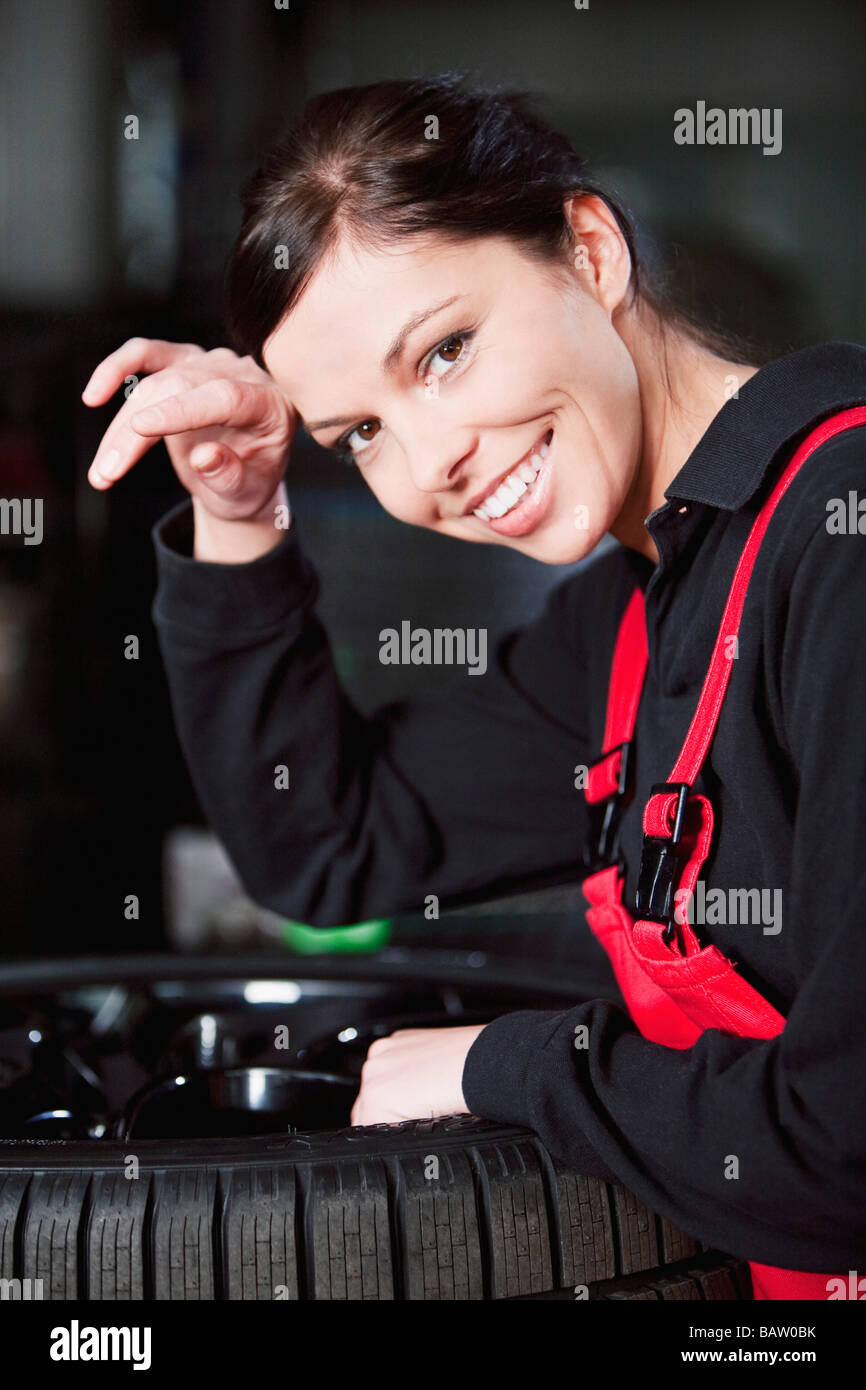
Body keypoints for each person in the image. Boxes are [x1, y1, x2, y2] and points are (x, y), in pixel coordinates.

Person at [83, 75, 866, 1294]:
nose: (430, 462)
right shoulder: (628, 620)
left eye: (443, 350)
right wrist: (238, 508)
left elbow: (849, 1146)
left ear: (589, 252)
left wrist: (503, 1064)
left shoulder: (837, 543)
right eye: (360, 434)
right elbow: (328, 845)